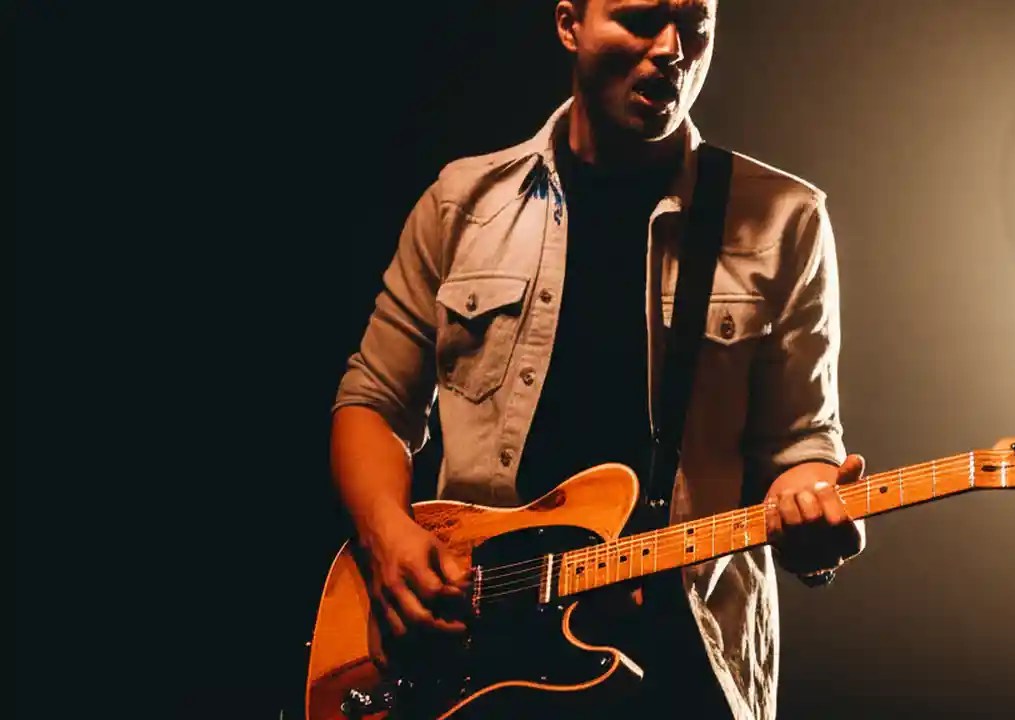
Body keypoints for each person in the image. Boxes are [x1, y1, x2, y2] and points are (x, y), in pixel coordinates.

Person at [330, 1, 867, 717]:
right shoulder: (462, 203)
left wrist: (811, 509)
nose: (672, 48)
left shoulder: (783, 219)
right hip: (471, 658)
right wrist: (388, 538)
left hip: (684, 662)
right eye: (641, 18)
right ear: (568, 24)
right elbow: (372, 402)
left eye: (695, 24)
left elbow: (801, 443)